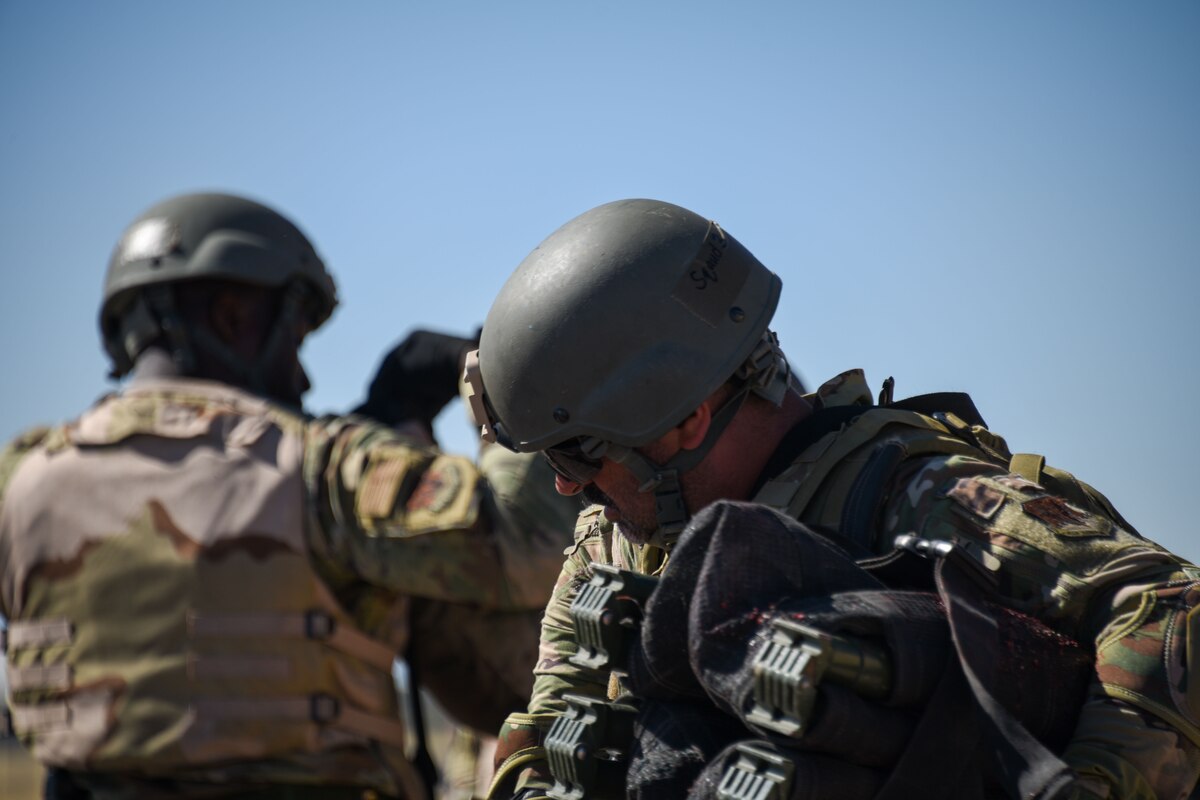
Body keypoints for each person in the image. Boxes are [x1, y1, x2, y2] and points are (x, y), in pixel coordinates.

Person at [463, 199, 1200, 799]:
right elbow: (558, 725)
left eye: (577, 450)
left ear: (684, 418)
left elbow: (1169, 607)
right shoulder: (617, 543)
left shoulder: (918, 497)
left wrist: (1098, 781)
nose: (566, 484)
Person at [0, 192, 570, 799]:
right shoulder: (326, 468)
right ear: (231, 315)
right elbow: (526, 539)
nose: (303, 379)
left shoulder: (22, 479)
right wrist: (492, 394)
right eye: (295, 337)